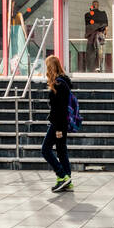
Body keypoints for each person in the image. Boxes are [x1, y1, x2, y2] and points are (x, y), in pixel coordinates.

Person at [41, 54, 74, 192]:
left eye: (47, 67)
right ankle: (68, 179)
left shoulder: (58, 84)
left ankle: (62, 176)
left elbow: (59, 109)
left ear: (51, 68)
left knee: (45, 149)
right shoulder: (64, 81)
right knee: (61, 150)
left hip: (58, 123)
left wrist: (58, 129)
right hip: (63, 122)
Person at [84, 0, 109, 73]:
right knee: (99, 51)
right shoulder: (101, 14)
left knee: (93, 52)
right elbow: (105, 26)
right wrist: (105, 33)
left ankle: (93, 68)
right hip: (99, 35)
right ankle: (99, 67)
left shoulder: (88, 15)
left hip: (93, 36)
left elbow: (88, 25)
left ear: (92, 6)